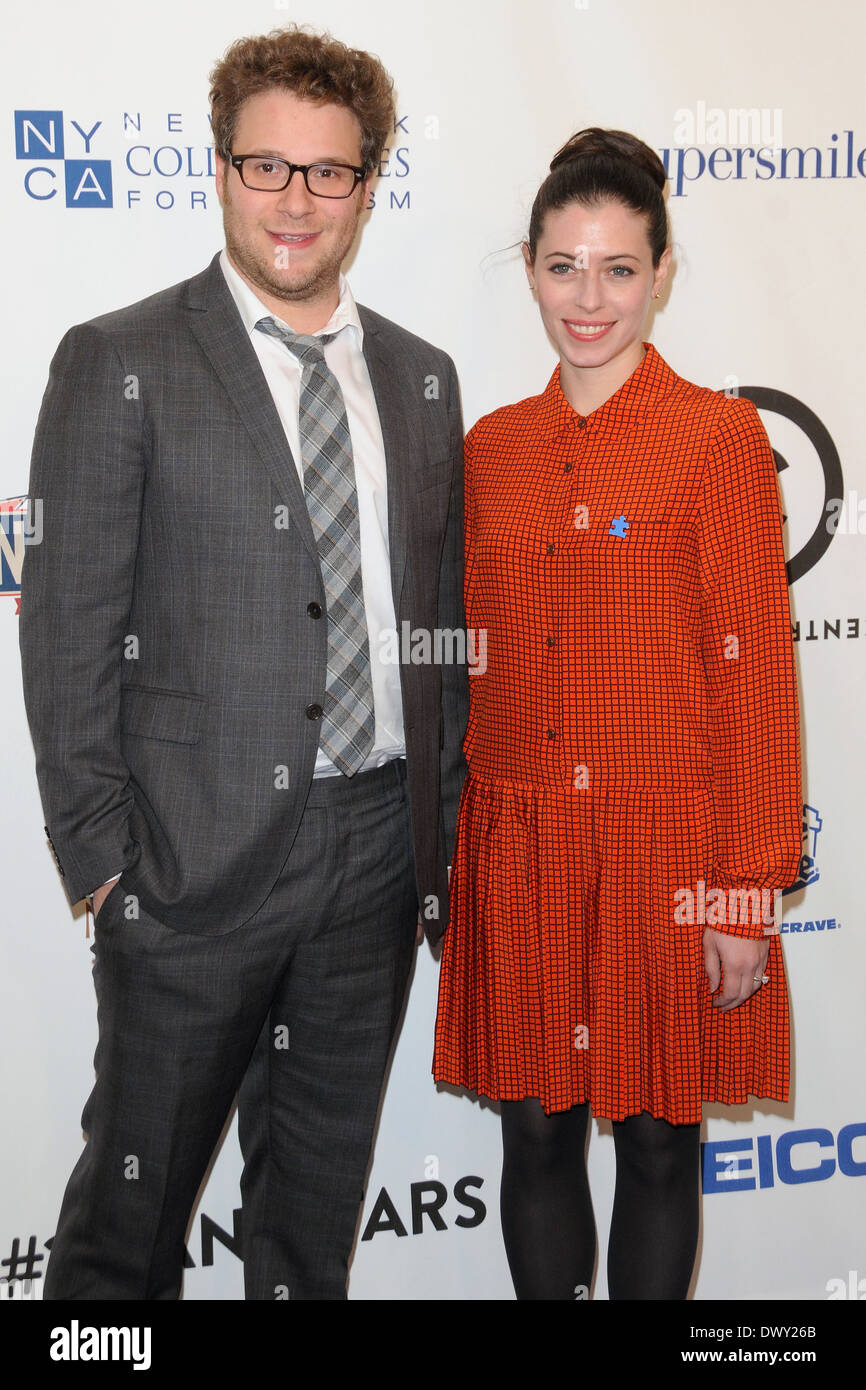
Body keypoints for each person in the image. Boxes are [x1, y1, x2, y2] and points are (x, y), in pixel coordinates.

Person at [20, 24, 466, 1301]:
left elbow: (434, 629)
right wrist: (104, 862)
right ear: (217, 170)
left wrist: (436, 830)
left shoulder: (421, 379)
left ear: (367, 188)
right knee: (122, 1240)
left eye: (327, 173)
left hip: (375, 855)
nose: (294, 200)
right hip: (186, 865)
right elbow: (65, 631)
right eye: (265, 166)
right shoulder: (121, 360)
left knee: (308, 1229)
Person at [433, 128, 801, 1300]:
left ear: (661, 271)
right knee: (532, 1134)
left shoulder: (719, 439)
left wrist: (745, 887)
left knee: (654, 1141)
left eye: (617, 268)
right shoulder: (488, 449)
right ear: (529, 268)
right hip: (522, 843)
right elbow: (462, 666)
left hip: (666, 851)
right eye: (561, 267)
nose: (586, 300)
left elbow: (752, 675)